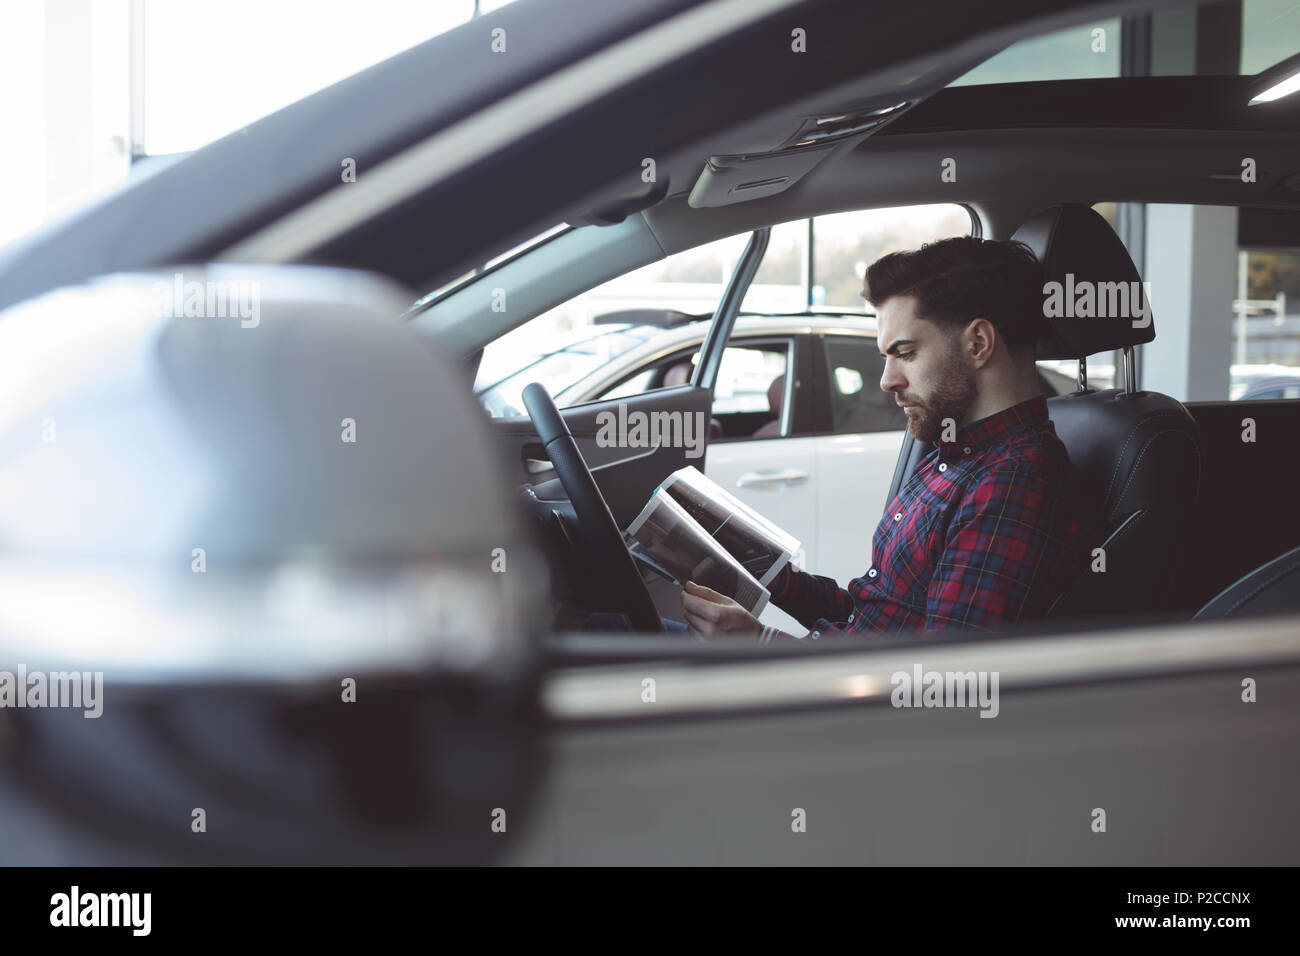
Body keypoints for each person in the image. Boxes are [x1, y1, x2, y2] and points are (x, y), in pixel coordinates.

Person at [587, 236, 1099, 641]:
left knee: (597, 641)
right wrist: (771, 577)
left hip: (842, 726)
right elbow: (873, 613)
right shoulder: (955, 452)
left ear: (979, 343)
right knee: (607, 631)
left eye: (906, 353)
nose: (886, 380)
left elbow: (940, 689)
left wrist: (759, 646)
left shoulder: (1012, 483)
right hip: (831, 680)